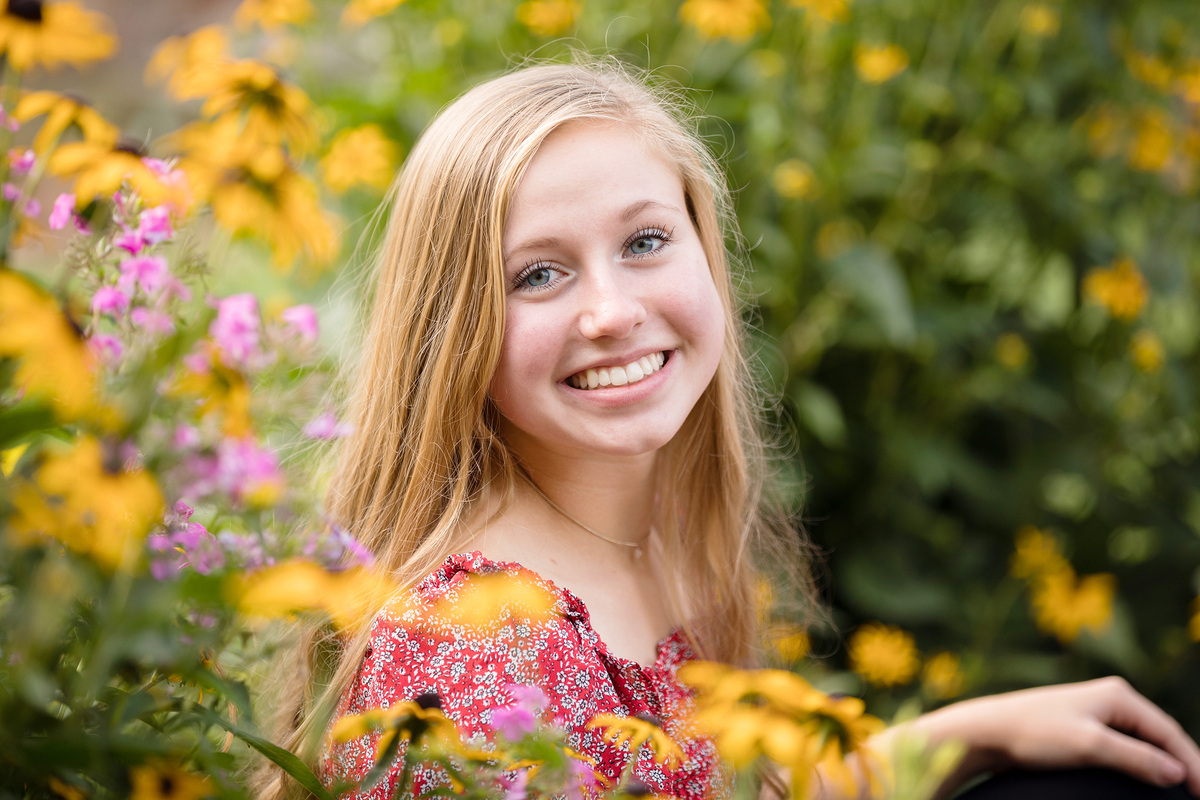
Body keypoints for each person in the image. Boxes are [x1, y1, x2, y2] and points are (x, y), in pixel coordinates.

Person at [257, 62, 1200, 800]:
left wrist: (969, 732)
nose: (611, 311)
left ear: (708, 251)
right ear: (452, 328)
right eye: (537, 274)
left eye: (645, 241)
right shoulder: (472, 652)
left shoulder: (654, 526)